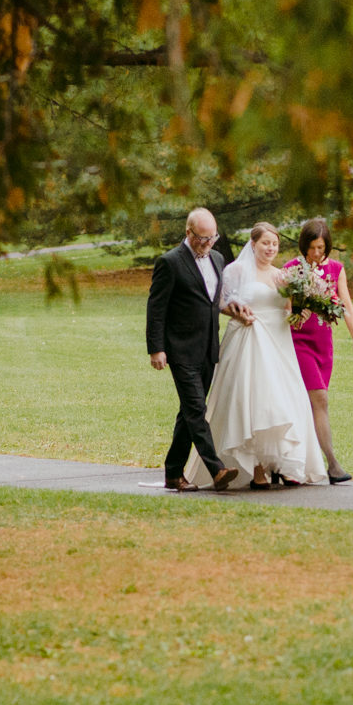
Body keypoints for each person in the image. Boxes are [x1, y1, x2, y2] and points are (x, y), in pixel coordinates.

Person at [184, 222, 326, 489]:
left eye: (275, 244)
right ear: (253, 243)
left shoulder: (282, 276)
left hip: (278, 343)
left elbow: (286, 310)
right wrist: (236, 311)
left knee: (282, 402)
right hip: (249, 341)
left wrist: (300, 313)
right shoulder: (235, 271)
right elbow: (220, 303)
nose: (271, 248)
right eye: (265, 243)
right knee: (256, 404)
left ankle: (284, 464)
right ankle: (257, 470)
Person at [146, 208, 240, 492]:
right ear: (188, 233)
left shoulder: (218, 259)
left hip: (208, 349)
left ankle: (173, 474)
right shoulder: (170, 262)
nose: (208, 243)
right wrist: (156, 349)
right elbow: (156, 309)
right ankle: (217, 469)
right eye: (202, 238)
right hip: (180, 349)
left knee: (188, 412)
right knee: (198, 410)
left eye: (212, 238)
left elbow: (213, 300)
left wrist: (232, 310)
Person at [285, 217, 353, 483]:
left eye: (321, 248)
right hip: (299, 343)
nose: (316, 253)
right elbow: (284, 311)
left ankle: (295, 463)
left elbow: (347, 306)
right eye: (312, 247)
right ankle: (332, 463)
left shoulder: (336, 269)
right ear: (303, 245)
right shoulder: (291, 269)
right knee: (320, 400)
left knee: (310, 404)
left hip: (323, 346)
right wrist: (298, 310)